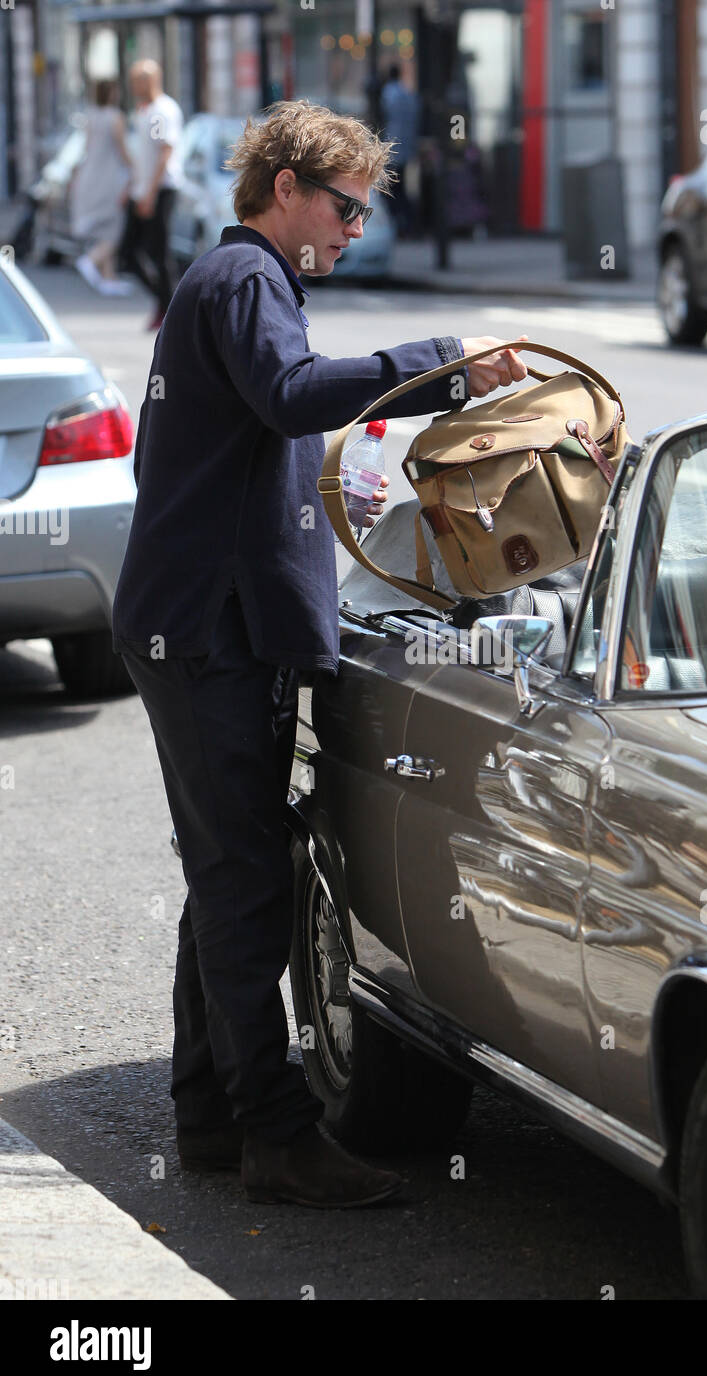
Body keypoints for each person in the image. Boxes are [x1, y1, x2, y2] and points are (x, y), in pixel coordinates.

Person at [110, 98, 528, 1210]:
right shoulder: (246, 279)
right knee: (247, 873)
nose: (351, 230)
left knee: (233, 867)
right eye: (342, 209)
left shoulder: (229, 284)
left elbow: (242, 443)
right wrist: (443, 365)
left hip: (201, 623)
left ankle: (211, 1114)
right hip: (208, 633)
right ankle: (277, 1138)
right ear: (285, 188)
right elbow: (291, 395)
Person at [117, 59, 183, 331]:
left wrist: (150, 195)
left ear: (150, 80)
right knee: (129, 253)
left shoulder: (162, 111)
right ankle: (166, 302)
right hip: (143, 190)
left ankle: (172, 308)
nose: (133, 87)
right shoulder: (144, 112)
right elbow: (142, 155)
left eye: (137, 81)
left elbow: (164, 154)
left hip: (161, 190)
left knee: (159, 253)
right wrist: (131, 188)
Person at [71, 79, 134, 296]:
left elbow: (87, 148)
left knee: (104, 230)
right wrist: (136, 168)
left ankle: (109, 278)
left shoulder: (91, 116)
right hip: (109, 179)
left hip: (90, 176)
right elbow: (122, 149)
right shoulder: (115, 117)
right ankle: (90, 260)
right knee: (115, 229)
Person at [380, 62, 420, 237]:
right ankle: (408, 223)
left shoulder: (388, 93)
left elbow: (383, 115)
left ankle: (398, 224)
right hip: (406, 146)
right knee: (401, 188)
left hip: (390, 146)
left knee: (390, 190)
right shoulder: (408, 94)